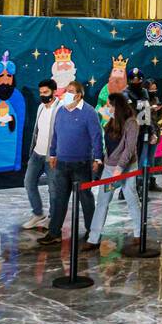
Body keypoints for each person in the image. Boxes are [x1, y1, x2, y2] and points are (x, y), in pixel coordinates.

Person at [40, 81, 103, 247]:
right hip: (61, 163)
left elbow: (96, 136)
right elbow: (55, 134)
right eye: (66, 90)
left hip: (82, 163)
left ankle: (93, 233)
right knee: (60, 198)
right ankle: (54, 233)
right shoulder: (60, 111)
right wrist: (53, 153)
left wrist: (98, 158)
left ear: (79, 95)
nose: (66, 94)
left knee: (86, 199)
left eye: (70, 91)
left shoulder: (89, 112)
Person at [84, 91, 141, 252]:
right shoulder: (111, 121)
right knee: (102, 201)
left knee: (131, 197)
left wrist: (120, 168)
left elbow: (129, 149)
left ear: (117, 106)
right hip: (109, 168)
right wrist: (103, 161)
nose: (107, 107)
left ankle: (138, 233)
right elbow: (108, 145)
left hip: (127, 167)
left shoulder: (131, 123)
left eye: (109, 105)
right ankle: (93, 238)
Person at [22, 78, 59, 230]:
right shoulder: (40, 108)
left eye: (46, 92)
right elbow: (37, 131)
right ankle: (38, 213)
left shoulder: (60, 109)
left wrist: (56, 154)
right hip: (37, 154)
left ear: (54, 92)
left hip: (51, 157)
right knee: (28, 182)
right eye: (41, 93)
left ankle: (53, 218)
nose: (43, 95)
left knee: (54, 189)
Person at [125, 68, 162, 191]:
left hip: (143, 132)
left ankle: (138, 187)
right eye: (133, 80)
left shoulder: (144, 93)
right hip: (130, 133)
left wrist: (151, 132)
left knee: (141, 161)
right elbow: (130, 113)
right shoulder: (125, 94)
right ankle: (125, 189)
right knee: (130, 162)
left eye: (138, 80)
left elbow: (145, 113)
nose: (136, 82)